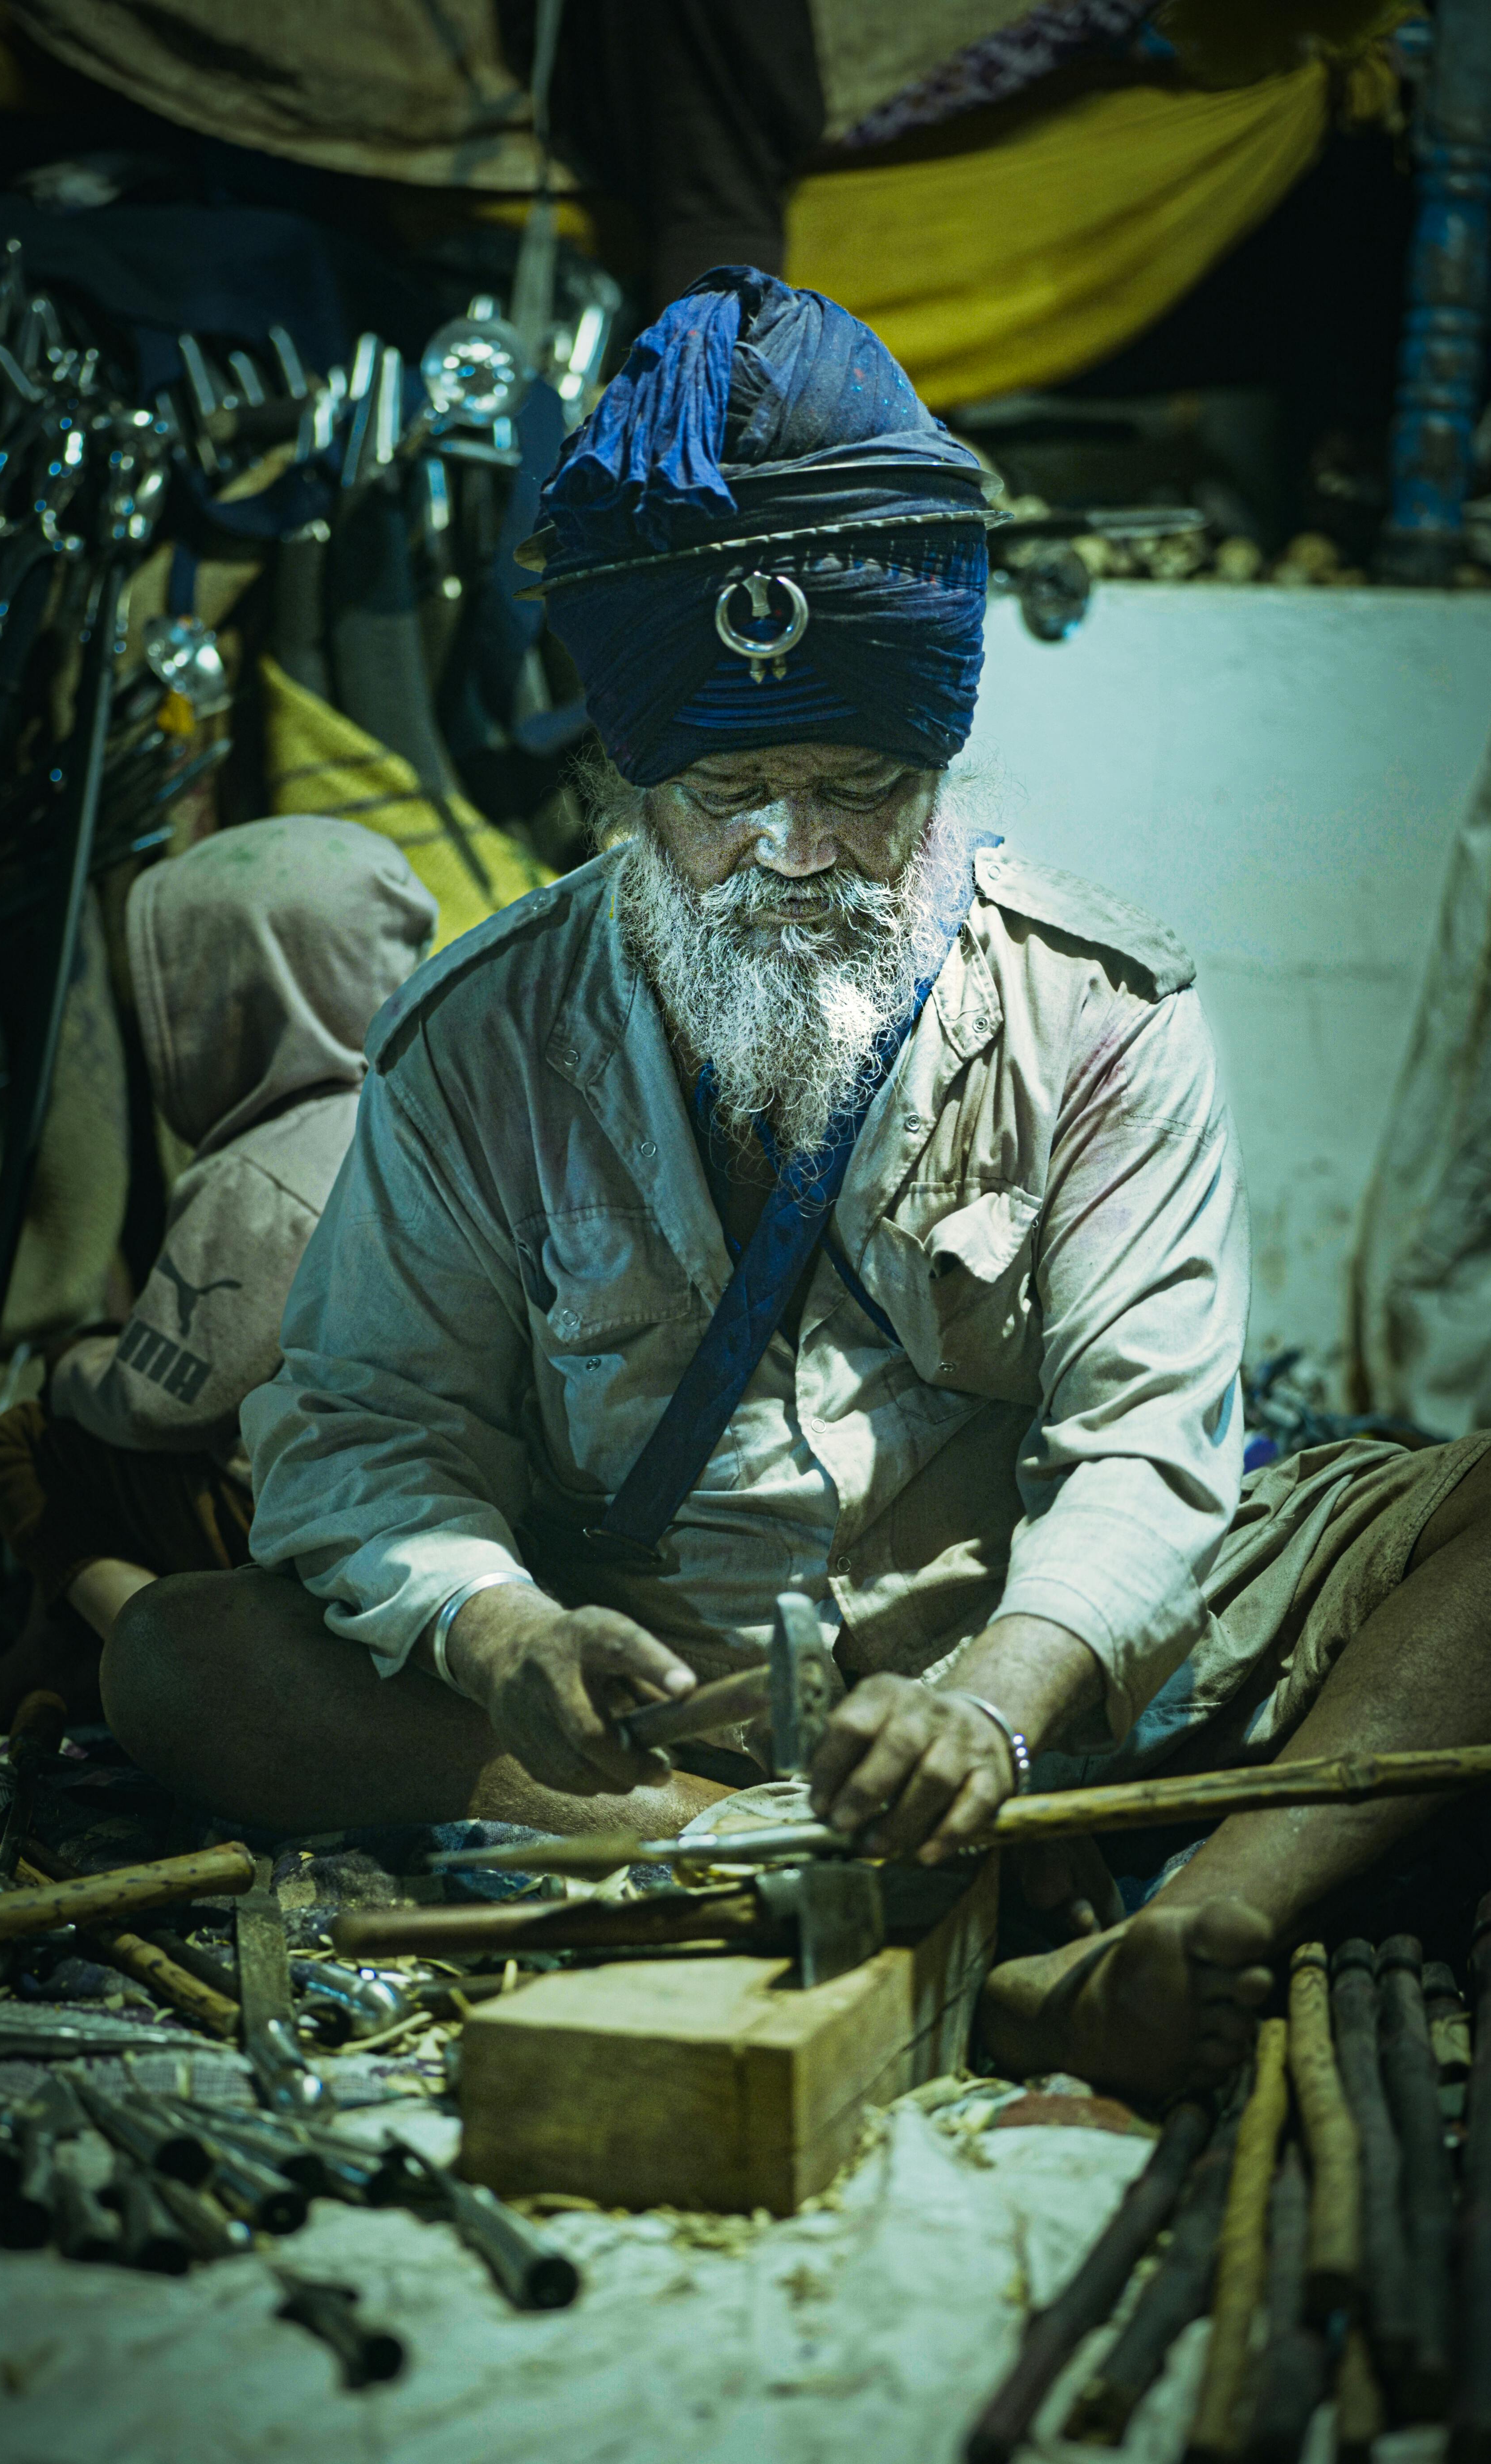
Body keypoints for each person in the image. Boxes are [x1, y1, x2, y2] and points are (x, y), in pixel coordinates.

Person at [103, 271, 1491, 2101]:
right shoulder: (477, 1043)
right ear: (627, 776)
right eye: (725, 789)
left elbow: (1147, 1452)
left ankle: (1186, 1922)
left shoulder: (1096, 1012)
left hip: (1043, 1680)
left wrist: (997, 1698)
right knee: (189, 1662)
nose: (789, 853)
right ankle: (896, 1924)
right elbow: (364, 1432)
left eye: (854, 785)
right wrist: (501, 1631)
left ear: (937, 763)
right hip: (651, 1712)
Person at [0, 816, 437, 1720]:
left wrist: (68, 1368)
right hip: (441, 1500)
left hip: (320, 1521)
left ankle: (185, 1668)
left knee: (21, 1437)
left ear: (238, 991)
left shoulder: (267, 1174)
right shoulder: (432, 1114)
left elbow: (165, 1406)